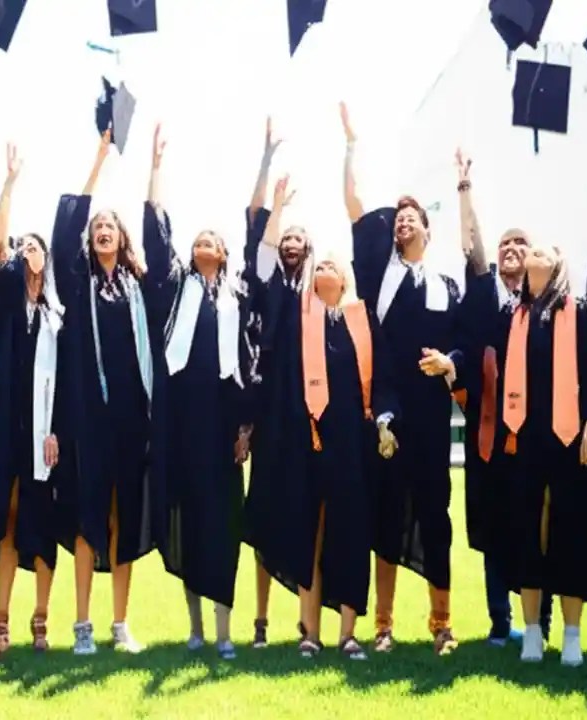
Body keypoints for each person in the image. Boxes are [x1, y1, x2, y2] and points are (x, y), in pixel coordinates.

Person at [253, 176, 398, 659]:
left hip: (352, 446)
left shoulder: (362, 319)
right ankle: (310, 634)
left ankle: (349, 633)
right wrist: (274, 211)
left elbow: (381, 381)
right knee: (307, 534)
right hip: (305, 441)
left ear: (345, 277)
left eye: (334, 264)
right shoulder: (298, 317)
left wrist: (383, 421)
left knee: (352, 533)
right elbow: (267, 269)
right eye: (322, 264)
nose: (326, 268)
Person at [341, 103, 460, 655]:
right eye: (399, 218)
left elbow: (463, 340)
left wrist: (450, 363)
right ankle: (383, 626)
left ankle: (442, 624)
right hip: (387, 412)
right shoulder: (378, 272)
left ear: (428, 230)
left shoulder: (446, 285)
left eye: (413, 216)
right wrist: (351, 143)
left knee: (435, 515)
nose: (404, 220)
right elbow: (356, 204)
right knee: (386, 518)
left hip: (434, 418)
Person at [144, 125, 255, 660]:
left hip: (221, 435)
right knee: (187, 526)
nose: (204, 243)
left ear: (225, 252)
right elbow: (155, 236)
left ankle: (225, 630)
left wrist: (245, 428)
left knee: (222, 529)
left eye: (214, 239)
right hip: (180, 430)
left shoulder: (238, 298)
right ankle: (194, 627)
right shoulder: (174, 289)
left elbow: (248, 369)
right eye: (199, 239)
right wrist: (156, 168)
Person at [50, 129, 159, 655]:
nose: (101, 231)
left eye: (109, 226)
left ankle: (120, 624)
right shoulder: (78, 284)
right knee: (88, 519)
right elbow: (64, 229)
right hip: (87, 422)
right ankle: (82, 627)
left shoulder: (137, 290)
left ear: (122, 237)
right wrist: (96, 161)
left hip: (131, 422)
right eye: (96, 227)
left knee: (122, 519)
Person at [488, 245, 587, 667]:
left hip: (570, 435)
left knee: (573, 529)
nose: (531, 253)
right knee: (527, 531)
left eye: (541, 249)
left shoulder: (580, 311)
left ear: (558, 264)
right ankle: (534, 633)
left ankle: (572, 635)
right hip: (524, 437)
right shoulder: (513, 316)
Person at [451, 149, 553, 647]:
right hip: (490, 432)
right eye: (505, 243)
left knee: (537, 525)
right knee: (493, 526)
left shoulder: (546, 304)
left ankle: (542, 621)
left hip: (536, 434)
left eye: (521, 243)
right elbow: (472, 246)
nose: (511, 248)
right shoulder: (486, 290)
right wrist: (465, 191)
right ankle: (499, 621)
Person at [0, 143, 68, 656]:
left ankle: (41, 617)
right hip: (8, 429)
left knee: (44, 523)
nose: (28, 249)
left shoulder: (58, 316)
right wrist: (9, 185)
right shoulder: (8, 307)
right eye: (23, 245)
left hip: (47, 436)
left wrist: (56, 431)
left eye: (37, 245)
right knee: (9, 518)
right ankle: (2, 618)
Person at [241, 118, 298, 648]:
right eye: (287, 238)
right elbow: (260, 236)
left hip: (307, 421)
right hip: (269, 415)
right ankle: (259, 621)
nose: (292, 242)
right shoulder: (268, 285)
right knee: (260, 519)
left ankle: (307, 623)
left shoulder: (319, 298)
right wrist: (266, 162)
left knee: (303, 516)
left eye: (301, 236)